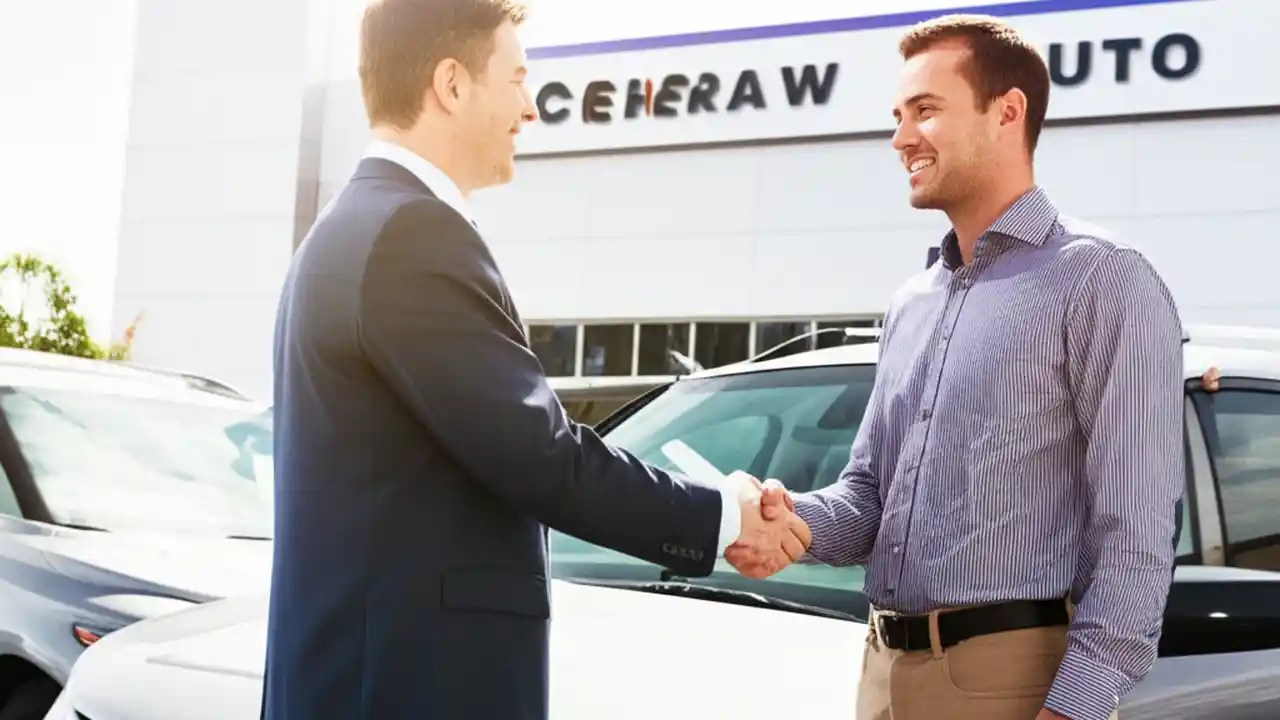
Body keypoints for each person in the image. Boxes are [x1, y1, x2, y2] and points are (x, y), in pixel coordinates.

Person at [262, 1, 810, 719]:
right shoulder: (411, 236)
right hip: (406, 689)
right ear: (452, 84)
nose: (530, 105)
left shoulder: (356, 228)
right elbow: (539, 455)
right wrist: (725, 518)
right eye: (517, 78)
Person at [736, 14, 1184, 720]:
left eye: (925, 110)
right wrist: (792, 523)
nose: (900, 136)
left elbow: (1135, 529)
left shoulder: (1103, 281)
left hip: (1011, 680)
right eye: (897, 115)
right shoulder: (913, 301)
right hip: (883, 671)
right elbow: (868, 501)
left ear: (1008, 112)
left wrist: (1077, 705)